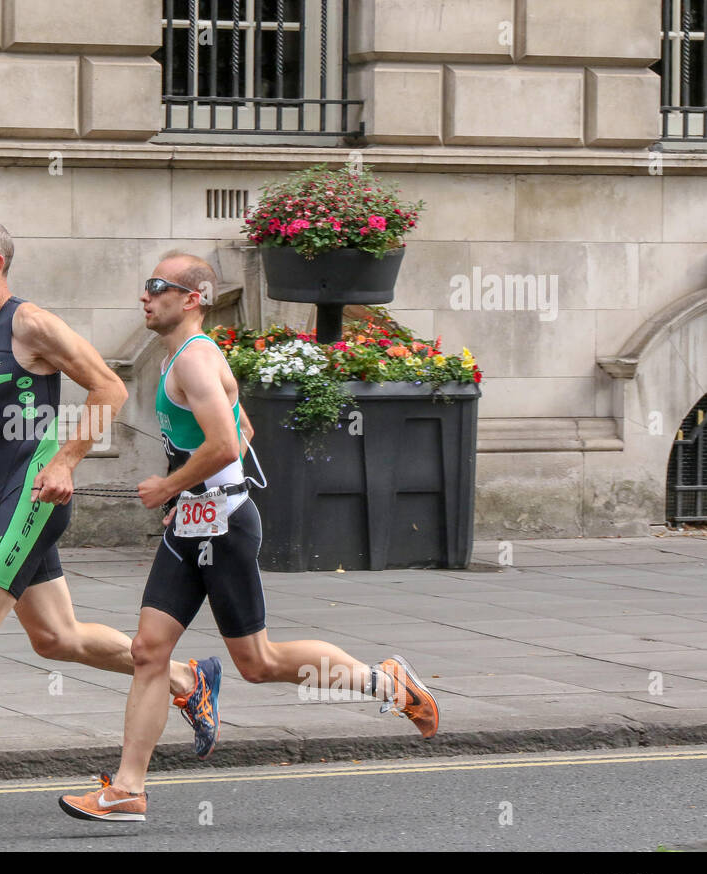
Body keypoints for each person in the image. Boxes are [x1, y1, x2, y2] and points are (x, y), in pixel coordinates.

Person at [58, 252, 439, 824]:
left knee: (257, 664)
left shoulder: (195, 358)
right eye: (145, 286)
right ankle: (127, 790)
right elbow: (241, 425)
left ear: (193, 299)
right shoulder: (177, 361)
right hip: (194, 524)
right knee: (147, 651)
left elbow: (228, 446)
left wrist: (170, 486)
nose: (145, 296)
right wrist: (188, 496)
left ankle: (387, 683)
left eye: (157, 287)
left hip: (226, 528)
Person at [0, 223, 221, 826]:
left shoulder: (31, 324)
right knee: (55, 638)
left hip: (34, 495)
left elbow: (109, 387)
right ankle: (189, 681)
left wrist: (65, 460)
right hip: (3, 498)